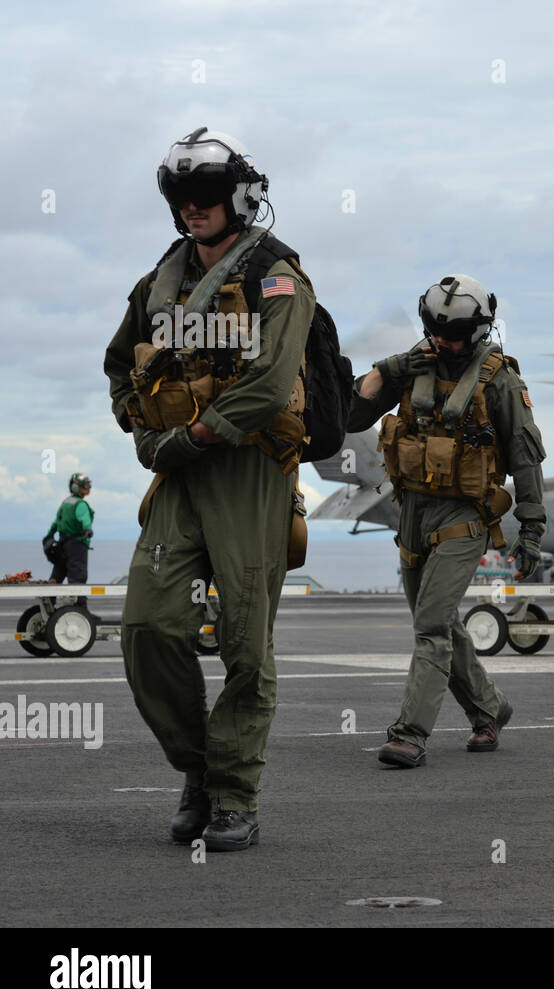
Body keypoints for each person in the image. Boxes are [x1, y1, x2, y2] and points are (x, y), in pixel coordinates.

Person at [103, 128, 316, 851]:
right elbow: (117, 368)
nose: (192, 209)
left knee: (244, 644)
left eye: (206, 196)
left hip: (249, 473)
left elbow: (270, 380)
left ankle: (233, 796)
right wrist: (142, 431)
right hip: (177, 474)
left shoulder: (277, 277)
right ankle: (199, 770)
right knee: (147, 630)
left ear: (239, 197)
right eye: (181, 198)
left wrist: (195, 435)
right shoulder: (156, 285)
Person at [348, 274, 547, 768]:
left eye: (453, 333)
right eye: (435, 331)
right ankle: (489, 709)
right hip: (411, 510)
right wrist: (388, 367)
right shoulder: (412, 366)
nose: (443, 342)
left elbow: (525, 459)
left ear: (478, 331)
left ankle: (409, 734)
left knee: (432, 625)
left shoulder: (500, 380)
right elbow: (350, 415)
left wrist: (532, 530)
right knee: (437, 622)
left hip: (465, 514)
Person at [45, 473, 99, 620]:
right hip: (77, 545)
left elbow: (56, 523)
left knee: (58, 574)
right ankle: (82, 611)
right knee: (78, 577)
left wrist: (49, 536)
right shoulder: (80, 504)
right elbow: (85, 520)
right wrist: (87, 530)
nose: (87, 488)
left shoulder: (65, 502)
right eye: (85, 485)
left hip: (62, 544)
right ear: (76, 487)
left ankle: (47, 607)